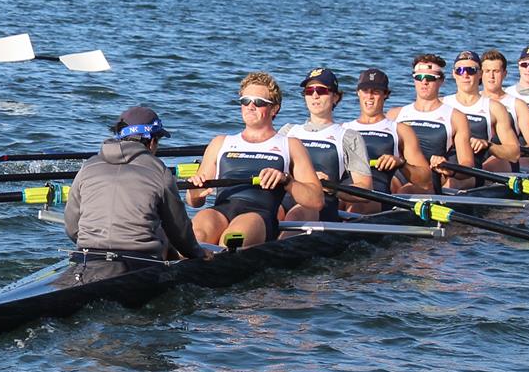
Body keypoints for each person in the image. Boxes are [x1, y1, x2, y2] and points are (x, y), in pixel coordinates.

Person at [186, 74, 325, 249]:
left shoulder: (289, 145)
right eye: (245, 101)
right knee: (196, 235)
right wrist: (193, 191)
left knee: (231, 238)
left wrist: (287, 181)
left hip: (259, 214)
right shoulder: (220, 143)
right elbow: (194, 202)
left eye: (258, 102)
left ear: (274, 109)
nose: (250, 107)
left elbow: (317, 201)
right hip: (221, 210)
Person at [65, 106, 209, 262]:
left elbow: (72, 227)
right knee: (163, 234)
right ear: (152, 141)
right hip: (139, 260)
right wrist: (198, 254)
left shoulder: (89, 166)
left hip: (88, 256)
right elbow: (179, 231)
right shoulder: (160, 171)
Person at [281, 67, 374, 219]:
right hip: (285, 199)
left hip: (320, 206)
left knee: (296, 214)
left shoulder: (349, 137)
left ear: (336, 97)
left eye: (321, 90)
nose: (315, 95)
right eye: (309, 91)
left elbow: (365, 189)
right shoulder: (288, 131)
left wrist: (333, 188)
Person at [343, 67, 434, 209]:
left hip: (375, 197)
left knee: (357, 206)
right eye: (365, 91)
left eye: (376, 92)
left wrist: (401, 163)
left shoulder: (400, 130)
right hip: (343, 193)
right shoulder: (343, 129)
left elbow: (425, 181)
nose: (370, 96)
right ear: (358, 93)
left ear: (386, 94)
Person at [390, 53, 470, 187]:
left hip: (431, 178)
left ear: (441, 81)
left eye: (430, 78)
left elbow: (467, 165)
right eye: (419, 77)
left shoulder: (456, 117)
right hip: (397, 174)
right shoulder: (394, 114)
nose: (424, 82)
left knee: (406, 190)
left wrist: (450, 168)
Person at [443, 49, 522, 185]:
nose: (465, 75)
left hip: (473, 170)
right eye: (460, 70)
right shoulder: (443, 103)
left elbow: (514, 153)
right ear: (454, 74)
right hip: (442, 164)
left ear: (480, 74)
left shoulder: (494, 108)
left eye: (471, 70)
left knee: (451, 182)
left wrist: (488, 145)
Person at [480, 49, 529, 167]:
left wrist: (515, 152)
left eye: (496, 71)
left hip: (504, 160)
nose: (491, 76)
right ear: (480, 73)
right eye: (487, 71)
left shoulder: (518, 105)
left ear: (504, 74)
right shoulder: (469, 102)